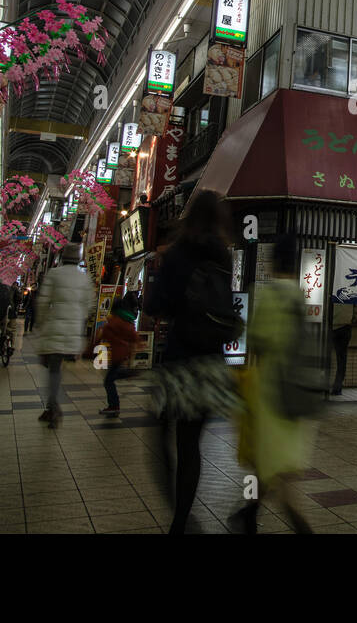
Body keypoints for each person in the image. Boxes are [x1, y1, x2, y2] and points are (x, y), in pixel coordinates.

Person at [145, 189, 239, 534]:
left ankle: (177, 511)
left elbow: (156, 305)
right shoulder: (223, 255)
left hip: (180, 361)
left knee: (161, 441)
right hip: (211, 365)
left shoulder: (178, 252)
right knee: (191, 447)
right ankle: (181, 520)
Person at [234, 233, 314, 534]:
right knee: (274, 466)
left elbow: (256, 342)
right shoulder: (299, 295)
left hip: (270, 392)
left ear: (271, 261)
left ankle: (292, 525)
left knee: (274, 470)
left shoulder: (269, 295)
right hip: (295, 393)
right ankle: (248, 514)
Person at [32, 243, 95, 427]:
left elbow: (43, 302)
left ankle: (53, 408)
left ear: (62, 258)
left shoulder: (54, 274)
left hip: (54, 329)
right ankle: (52, 406)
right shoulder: (84, 279)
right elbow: (89, 305)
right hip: (73, 332)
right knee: (56, 370)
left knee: (53, 370)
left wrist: (40, 322)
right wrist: (78, 319)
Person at [93, 303, 140, 417]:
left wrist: (89, 351)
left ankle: (114, 407)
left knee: (108, 381)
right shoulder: (127, 320)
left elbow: (103, 334)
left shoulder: (114, 321)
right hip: (123, 354)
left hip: (117, 355)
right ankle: (114, 405)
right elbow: (134, 338)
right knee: (110, 379)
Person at [329, 292, 357, 396]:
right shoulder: (351, 290)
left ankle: (322, 384)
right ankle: (337, 388)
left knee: (325, 355)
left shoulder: (330, 290)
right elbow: (356, 310)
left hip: (331, 326)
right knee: (341, 359)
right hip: (345, 327)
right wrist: (351, 320)